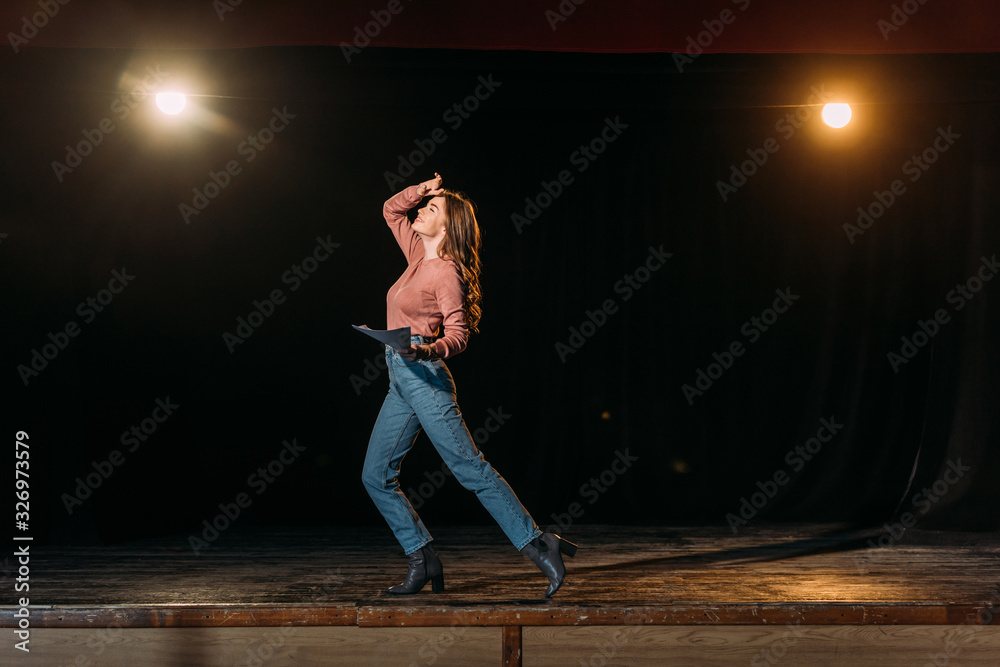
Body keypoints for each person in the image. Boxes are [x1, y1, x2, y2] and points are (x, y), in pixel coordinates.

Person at [361, 172, 577, 597]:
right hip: (399, 381)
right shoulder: (416, 257)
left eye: (432, 210)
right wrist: (424, 190)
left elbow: (458, 335)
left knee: (470, 469)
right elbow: (391, 209)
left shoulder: (445, 272)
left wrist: (424, 351)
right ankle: (423, 560)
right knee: (375, 475)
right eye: (424, 207)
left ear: (449, 226)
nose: (421, 211)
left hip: (423, 375)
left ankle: (539, 545)